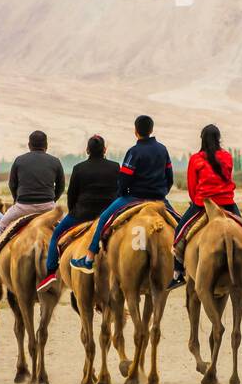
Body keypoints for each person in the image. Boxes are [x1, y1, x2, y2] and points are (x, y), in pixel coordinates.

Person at [71, 115, 179, 272]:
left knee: (103, 219)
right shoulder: (162, 150)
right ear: (151, 130)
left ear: (136, 131)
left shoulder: (134, 152)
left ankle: (88, 258)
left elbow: (125, 179)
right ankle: (181, 265)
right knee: (180, 225)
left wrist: (122, 195)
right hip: (159, 198)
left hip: (134, 198)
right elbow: (169, 176)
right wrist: (161, 193)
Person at [37, 135, 121, 292]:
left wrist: (73, 211)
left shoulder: (79, 168)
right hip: (109, 216)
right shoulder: (115, 167)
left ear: (87, 150)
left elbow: (71, 195)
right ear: (105, 150)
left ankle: (50, 272)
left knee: (56, 235)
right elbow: (120, 192)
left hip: (81, 215)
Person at [168, 124, 242, 289]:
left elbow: (192, 186)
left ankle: (178, 272)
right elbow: (228, 178)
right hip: (227, 204)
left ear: (202, 139)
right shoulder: (227, 156)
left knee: (179, 232)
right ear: (218, 139)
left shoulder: (196, 159)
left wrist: (197, 201)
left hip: (203, 204)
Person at [0, 131, 65, 275]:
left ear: (29, 145)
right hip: (48, 207)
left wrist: (17, 200)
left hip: (23, 207)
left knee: (1, 226)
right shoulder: (55, 161)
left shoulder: (19, 160)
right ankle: (67, 258)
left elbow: (12, 184)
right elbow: (61, 186)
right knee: (65, 229)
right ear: (46, 145)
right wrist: (52, 201)